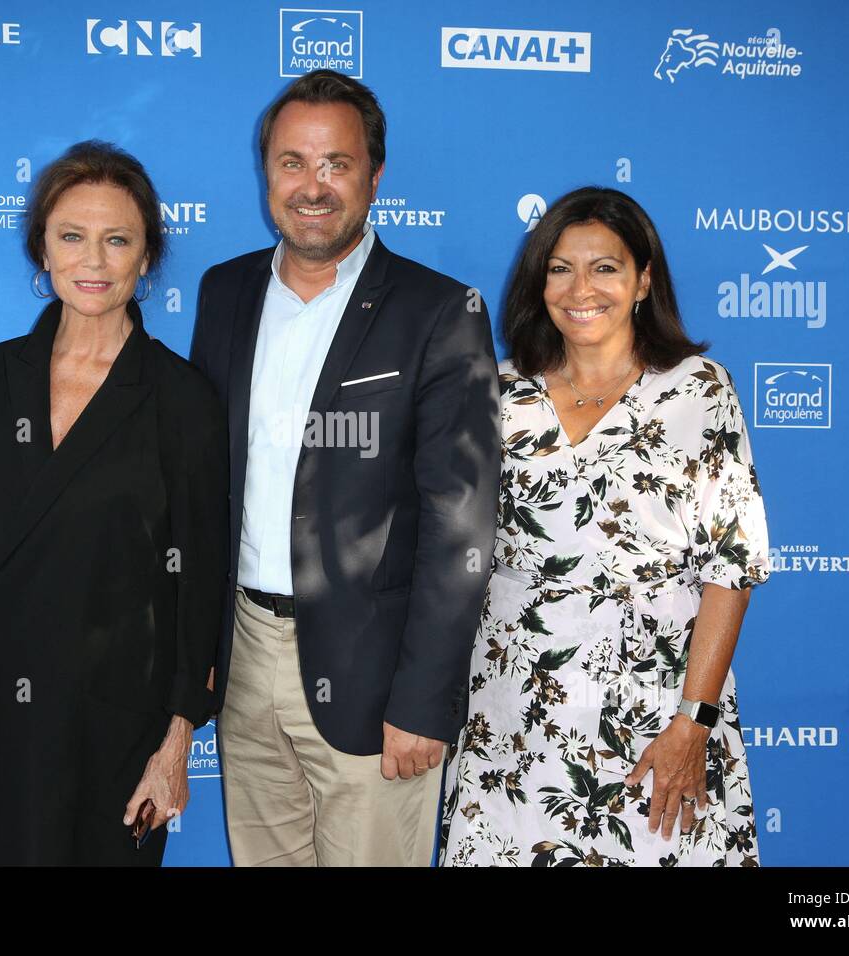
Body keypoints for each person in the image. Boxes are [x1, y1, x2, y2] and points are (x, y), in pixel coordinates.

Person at [189, 69, 500, 867]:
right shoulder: (224, 293)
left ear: (375, 175)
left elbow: (459, 521)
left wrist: (426, 698)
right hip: (245, 653)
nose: (313, 186)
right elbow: (204, 485)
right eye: (292, 162)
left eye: (336, 163)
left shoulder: (438, 311)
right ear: (267, 174)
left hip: (375, 675)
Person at [0, 140, 228, 865]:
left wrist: (176, 743)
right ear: (43, 251)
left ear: (146, 257)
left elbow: (200, 590)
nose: (94, 261)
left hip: (116, 732)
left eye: (117, 239)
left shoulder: (181, 399)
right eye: (72, 237)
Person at [441, 186, 770, 867]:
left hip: (658, 711)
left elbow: (732, 570)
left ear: (644, 279)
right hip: (516, 709)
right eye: (560, 267)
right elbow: (451, 555)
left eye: (606, 267)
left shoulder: (699, 390)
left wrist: (693, 723)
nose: (580, 288)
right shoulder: (494, 393)